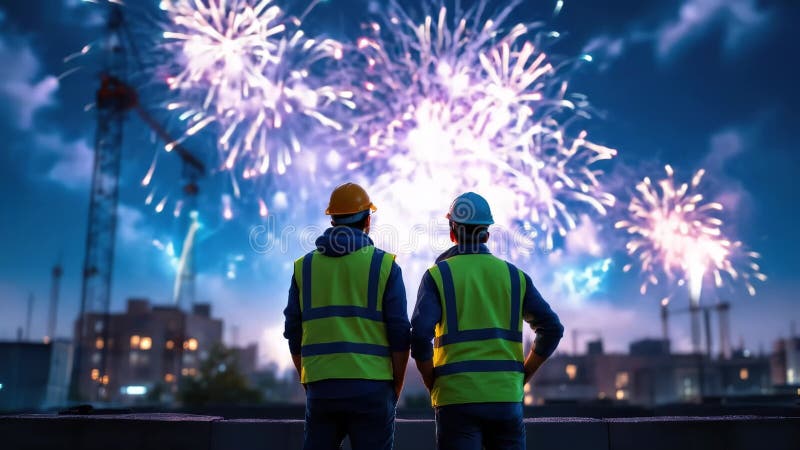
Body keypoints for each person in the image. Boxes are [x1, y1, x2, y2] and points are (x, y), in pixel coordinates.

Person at [411, 192, 564, 450]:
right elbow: (552, 329)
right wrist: (523, 375)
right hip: (505, 397)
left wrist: (431, 381)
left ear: (452, 233)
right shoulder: (515, 277)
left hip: (455, 397)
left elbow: (419, 336)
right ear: (487, 235)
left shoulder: (437, 276)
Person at [284, 182, 411, 450]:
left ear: (332, 219)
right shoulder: (384, 266)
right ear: (367, 220)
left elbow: (293, 334)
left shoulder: (303, 268)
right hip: (374, 389)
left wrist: (310, 379)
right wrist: (395, 386)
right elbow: (400, 336)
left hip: (322, 389)